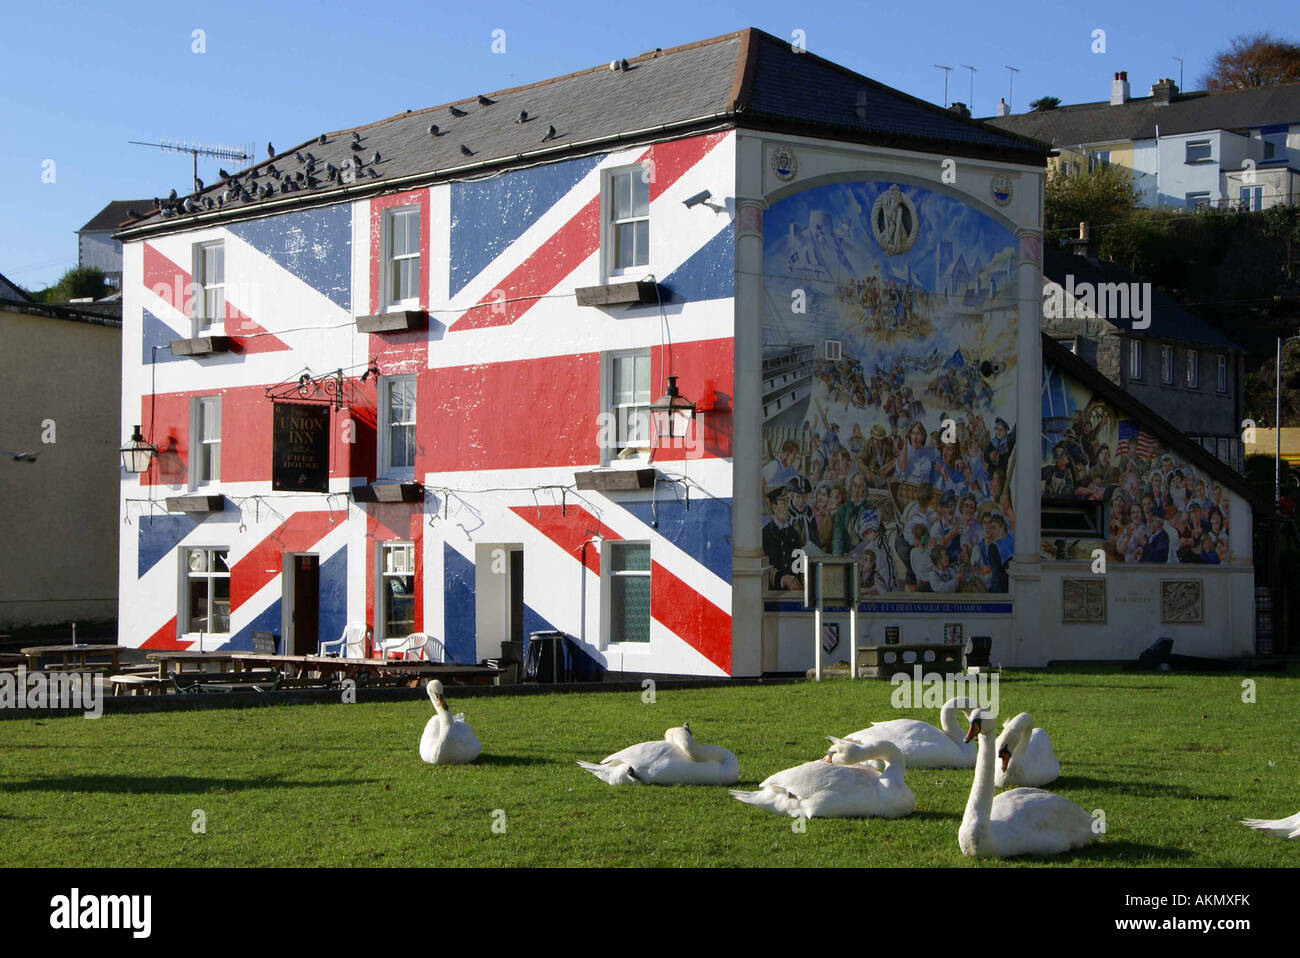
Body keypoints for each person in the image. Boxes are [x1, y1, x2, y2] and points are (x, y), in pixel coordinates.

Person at [762, 486, 805, 591]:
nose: (787, 508)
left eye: (787, 503)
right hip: (774, 592)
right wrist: (782, 579)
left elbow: (800, 566)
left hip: (795, 591)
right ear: (774, 508)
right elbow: (765, 566)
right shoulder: (765, 534)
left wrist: (802, 586)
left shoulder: (794, 534)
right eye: (783, 503)